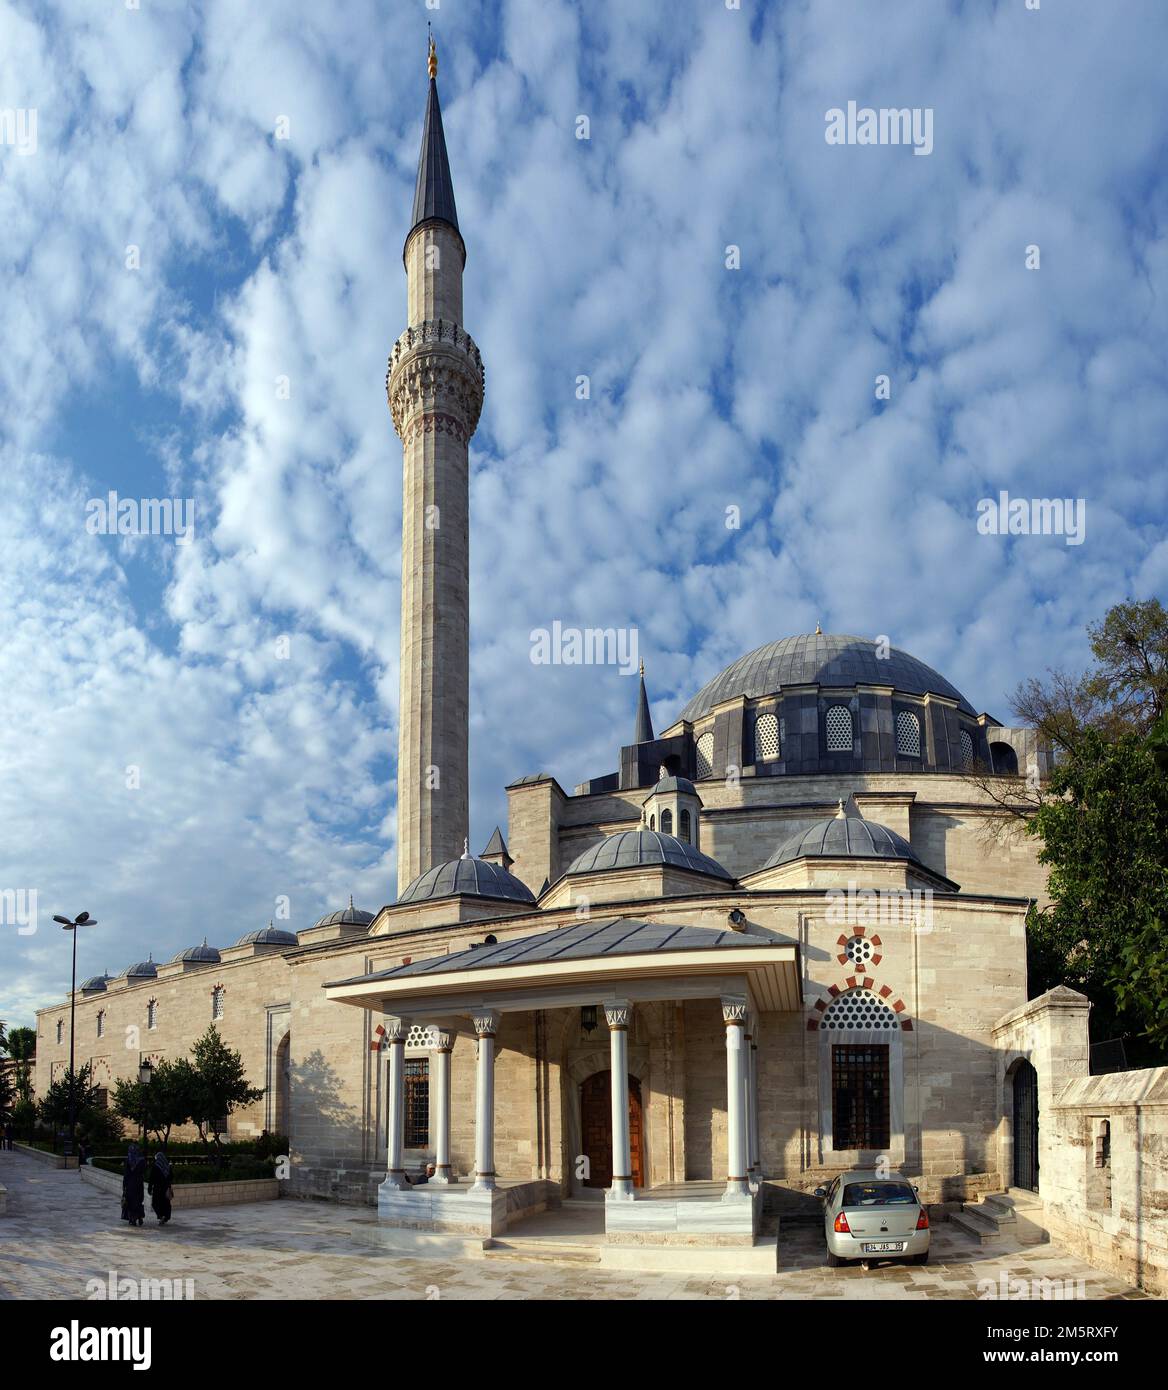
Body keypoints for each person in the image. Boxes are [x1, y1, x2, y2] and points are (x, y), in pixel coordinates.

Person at [121, 1143, 146, 1227]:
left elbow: (126, 1174)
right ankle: (139, 1217)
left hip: (130, 1184)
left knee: (131, 1202)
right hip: (139, 1183)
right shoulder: (142, 1160)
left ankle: (133, 1219)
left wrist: (124, 1185)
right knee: (139, 1201)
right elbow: (143, 1171)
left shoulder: (128, 1159)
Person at [147, 1148, 173, 1225]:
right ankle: (165, 1216)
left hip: (157, 1189)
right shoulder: (167, 1167)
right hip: (166, 1188)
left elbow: (151, 1178)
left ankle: (161, 1216)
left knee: (155, 1203)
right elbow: (171, 1177)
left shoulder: (155, 1167)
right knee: (165, 1203)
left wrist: (149, 1188)